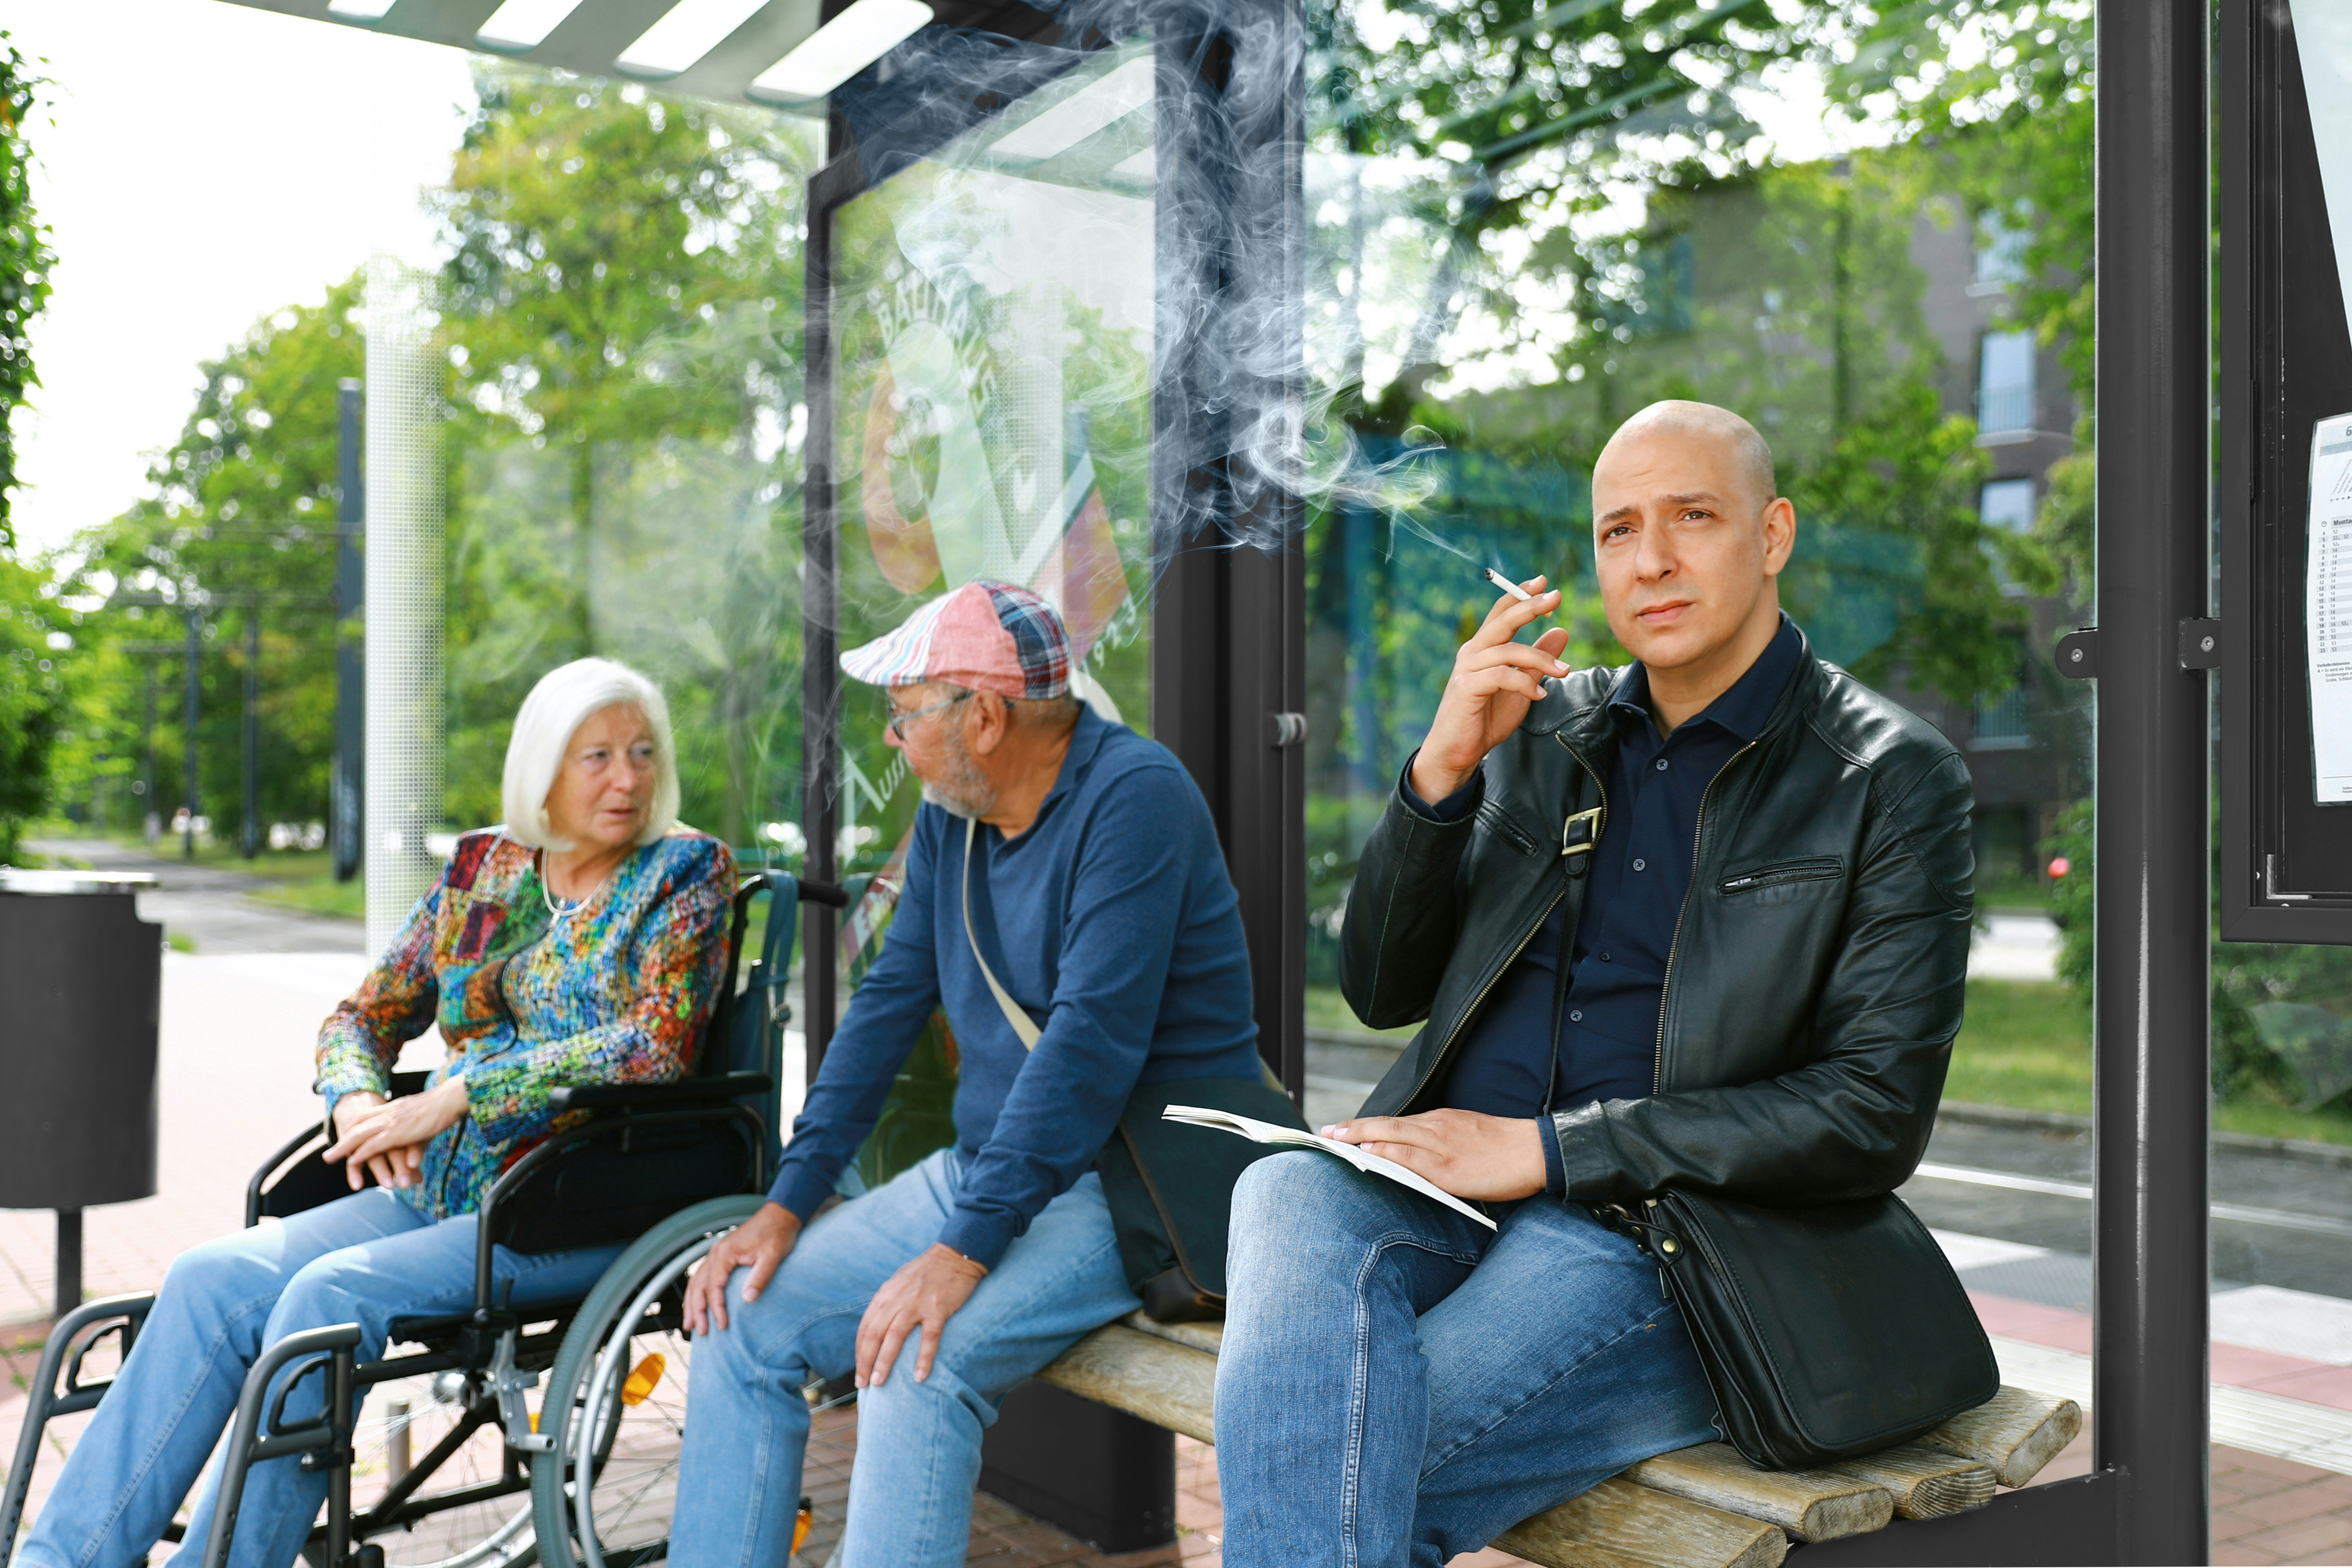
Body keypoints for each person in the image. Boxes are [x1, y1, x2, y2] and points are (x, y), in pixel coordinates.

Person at [1213, 401, 1976, 1566]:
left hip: (1655, 1234)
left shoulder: (1887, 776)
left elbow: (1870, 1115)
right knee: (1283, 1193)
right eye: (1619, 531)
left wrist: (1557, 1151)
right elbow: (1378, 985)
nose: (1652, 560)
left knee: (1339, 1458)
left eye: (1694, 518)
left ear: (1771, 535)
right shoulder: (1543, 729)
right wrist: (1440, 773)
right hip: (1445, 1187)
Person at [20, 657, 736, 1568]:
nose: (627, 777)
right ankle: (59, 1559)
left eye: (641, 752)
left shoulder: (683, 873)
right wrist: (358, 1098)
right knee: (207, 1277)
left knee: (327, 1295)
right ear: (542, 768)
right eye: (595, 755)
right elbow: (363, 1015)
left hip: (576, 1194)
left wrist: (463, 1092)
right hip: (441, 1192)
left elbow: (655, 1043)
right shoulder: (487, 870)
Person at [670, 578, 1263, 1567]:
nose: (892, 737)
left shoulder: (1137, 799)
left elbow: (1090, 1045)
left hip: (1129, 1182)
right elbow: (887, 1002)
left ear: (984, 716)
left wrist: (961, 1252)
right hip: (997, 1169)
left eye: (904, 712)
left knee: (914, 1359)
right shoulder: (955, 816)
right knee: (740, 1317)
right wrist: (788, 1198)